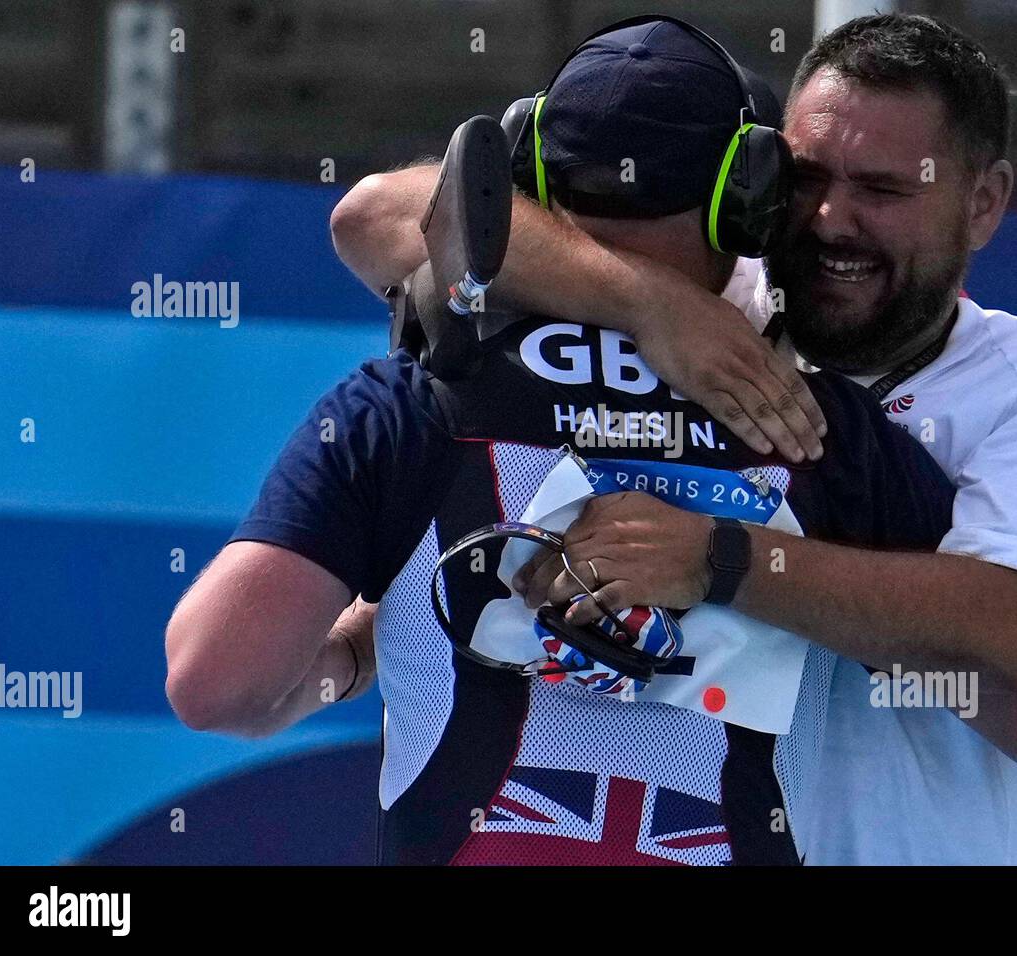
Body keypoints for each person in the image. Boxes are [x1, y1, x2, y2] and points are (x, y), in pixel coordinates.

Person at [332, 13, 1017, 864]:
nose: (830, 219)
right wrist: (654, 304)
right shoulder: (701, 285)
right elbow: (376, 218)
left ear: (984, 202)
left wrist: (727, 559)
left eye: (884, 190)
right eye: (808, 177)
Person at [165, 17, 957, 865]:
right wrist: (744, 566)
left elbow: (218, 683)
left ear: (524, 168)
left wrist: (357, 655)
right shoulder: (817, 426)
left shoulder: (414, 403)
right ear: (750, 196)